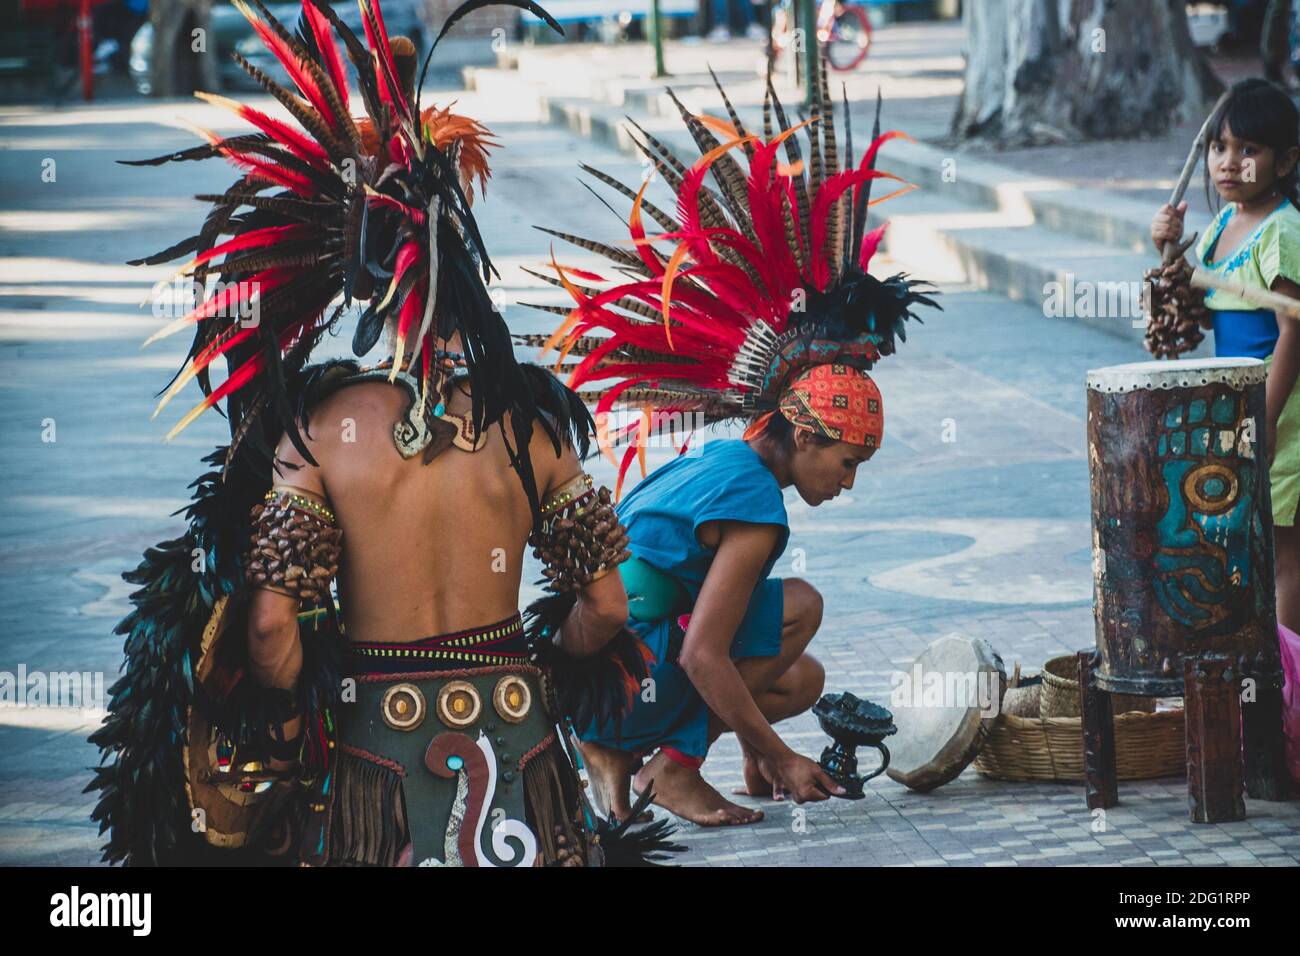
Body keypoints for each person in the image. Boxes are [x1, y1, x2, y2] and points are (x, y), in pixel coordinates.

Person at [86, 0, 681, 867]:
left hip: (374, 756)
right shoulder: (535, 431)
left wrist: (294, 710)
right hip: (518, 743)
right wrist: (544, 668)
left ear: (360, 288)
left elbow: (267, 631)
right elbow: (607, 607)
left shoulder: (318, 430)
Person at [518, 65, 938, 824]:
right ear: (803, 433)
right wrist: (783, 756)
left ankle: (622, 759)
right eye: (848, 462)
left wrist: (756, 756)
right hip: (626, 677)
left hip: (599, 683)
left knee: (800, 678)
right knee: (802, 606)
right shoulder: (753, 502)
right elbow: (702, 656)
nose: (849, 483)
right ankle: (672, 769)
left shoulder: (724, 458)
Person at [1150, 78, 1300, 680]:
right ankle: (1257, 670)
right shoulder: (1221, 228)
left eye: (1248, 150)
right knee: (1252, 541)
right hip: (1237, 414)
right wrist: (1165, 250)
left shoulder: (1283, 231)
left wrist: (1265, 416)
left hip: (1280, 417)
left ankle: (1288, 685)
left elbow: (1293, 329)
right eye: (1219, 147)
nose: (1228, 163)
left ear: (1286, 161)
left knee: (1286, 551)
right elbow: (1190, 306)